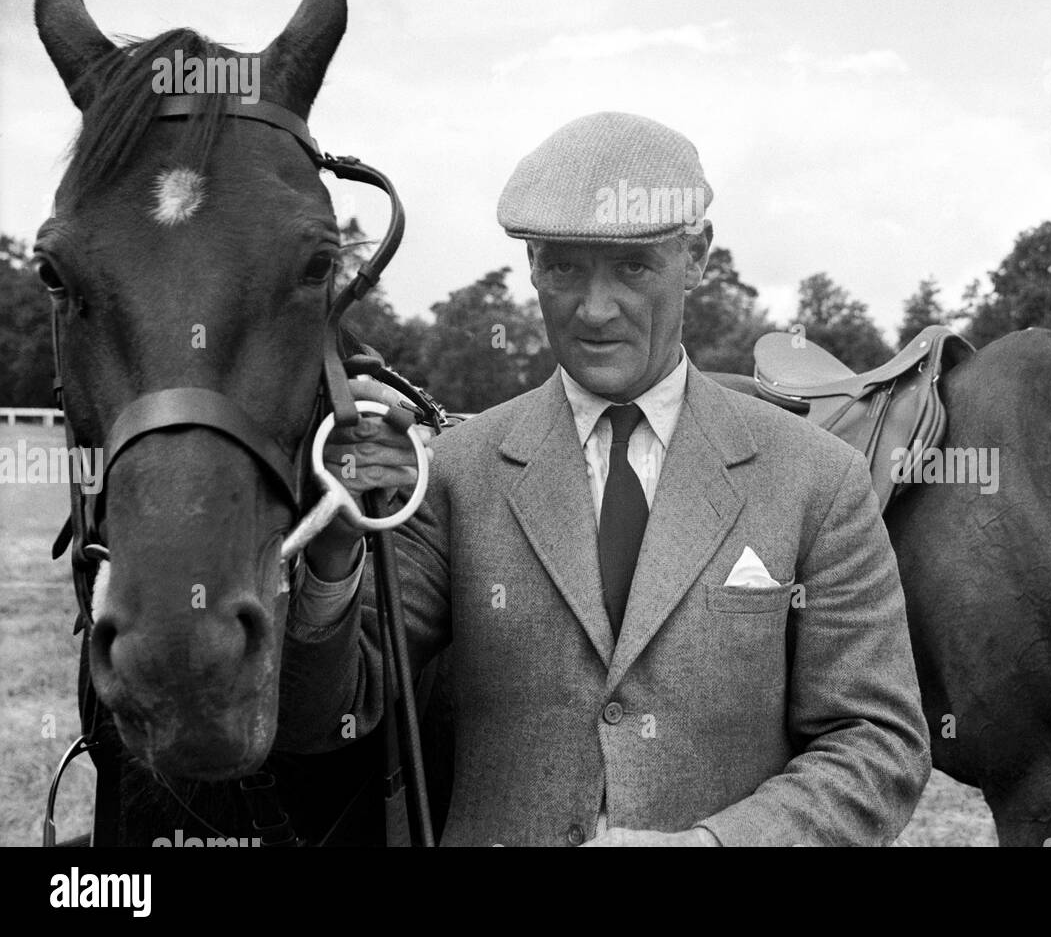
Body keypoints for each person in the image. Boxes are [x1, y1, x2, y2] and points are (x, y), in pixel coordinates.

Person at [277, 111, 930, 845]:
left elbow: (879, 744)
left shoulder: (816, 480)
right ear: (531, 267)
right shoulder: (456, 475)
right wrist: (336, 542)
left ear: (698, 255)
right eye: (562, 267)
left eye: (632, 268)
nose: (594, 310)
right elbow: (322, 718)